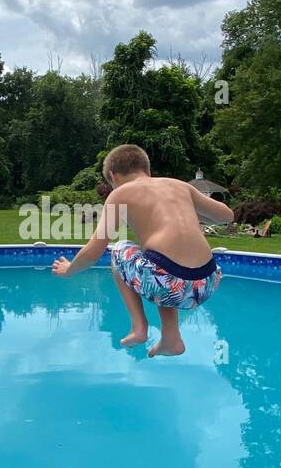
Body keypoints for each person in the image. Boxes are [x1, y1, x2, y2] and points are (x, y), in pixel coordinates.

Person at [51, 144, 233, 356]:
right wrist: (190, 211)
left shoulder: (120, 195)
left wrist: (68, 270)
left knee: (121, 249)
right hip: (206, 283)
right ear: (147, 170)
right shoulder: (179, 186)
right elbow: (226, 216)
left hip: (167, 282)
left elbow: (94, 250)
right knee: (158, 261)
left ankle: (139, 327)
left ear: (113, 175)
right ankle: (171, 339)